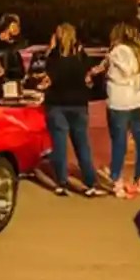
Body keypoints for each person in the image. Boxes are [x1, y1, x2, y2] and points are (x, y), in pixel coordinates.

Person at [90, 23, 140, 198]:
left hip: (119, 100)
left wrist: (105, 66)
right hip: (137, 99)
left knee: (119, 141)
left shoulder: (117, 51)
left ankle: (116, 177)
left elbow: (123, 70)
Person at [38, 23, 99, 197]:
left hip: (57, 104)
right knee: (82, 145)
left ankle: (62, 182)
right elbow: (89, 76)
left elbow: (47, 77)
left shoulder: (54, 56)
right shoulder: (81, 55)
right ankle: (89, 183)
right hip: (79, 104)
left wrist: (50, 49)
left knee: (59, 145)